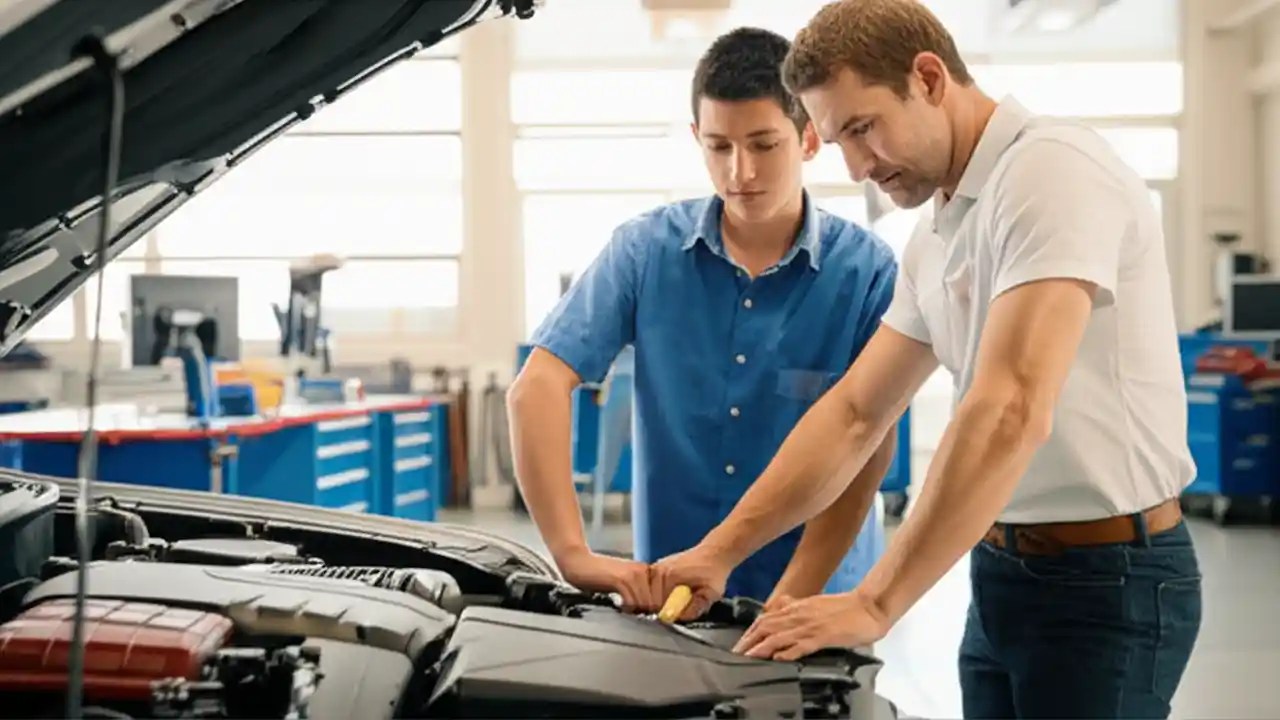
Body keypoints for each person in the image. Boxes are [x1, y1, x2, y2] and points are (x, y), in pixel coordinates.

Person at [653, 2, 1202, 718]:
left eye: (862, 127)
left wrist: (878, 599)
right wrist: (720, 551)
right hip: (1003, 569)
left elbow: (1010, 406)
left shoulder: (1049, 171)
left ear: (930, 77)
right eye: (834, 137)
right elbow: (855, 413)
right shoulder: (938, 234)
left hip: (1109, 580)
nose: (855, 166)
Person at [507, 26, 900, 612]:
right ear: (697, 137)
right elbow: (535, 388)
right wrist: (572, 554)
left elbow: (867, 446)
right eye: (719, 146)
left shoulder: (867, 272)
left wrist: (791, 598)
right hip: (671, 600)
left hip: (813, 604)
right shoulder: (643, 253)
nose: (740, 172)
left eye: (764, 145)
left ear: (810, 138)